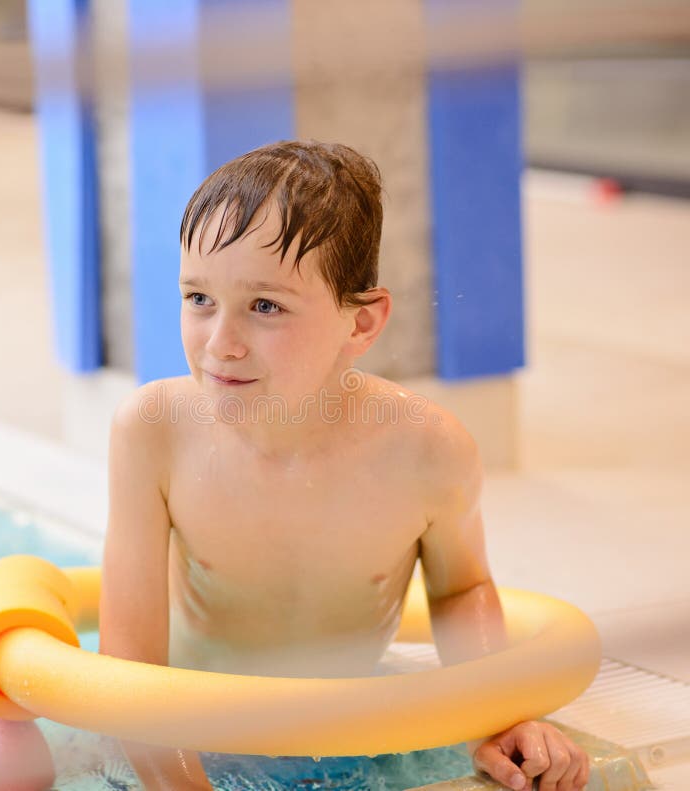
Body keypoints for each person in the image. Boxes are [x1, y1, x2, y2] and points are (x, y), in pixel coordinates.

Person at [99, 141, 590, 791]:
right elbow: (128, 666)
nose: (221, 343)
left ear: (361, 323)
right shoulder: (154, 433)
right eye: (198, 298)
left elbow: (460, 591)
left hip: (350, 740)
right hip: (183, 737)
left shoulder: (426, 450)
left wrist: (498, 721)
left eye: (265, 306)